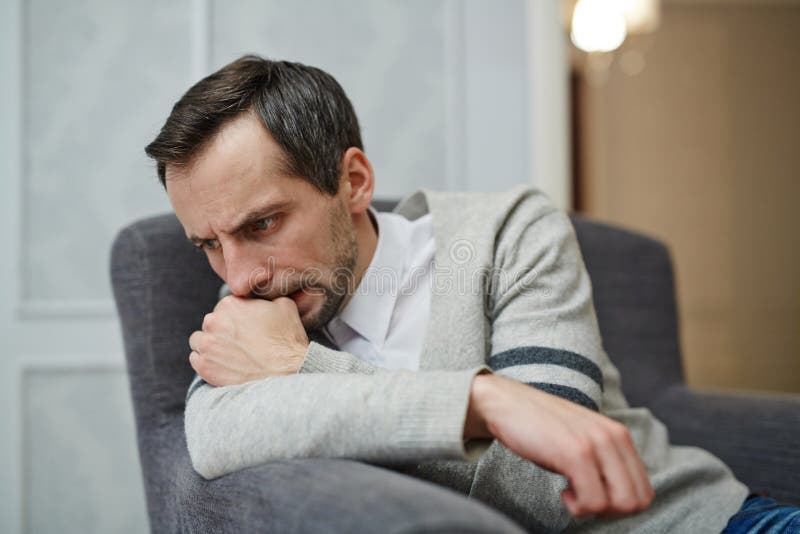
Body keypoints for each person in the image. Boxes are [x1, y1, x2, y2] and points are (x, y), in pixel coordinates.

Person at [144, 55, 798, 533]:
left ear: (354, 182)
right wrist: (488, 403)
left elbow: (548, 488)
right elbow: (215, 437)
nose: (239, 278)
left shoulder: (509, 232)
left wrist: (301, 370)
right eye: (209, 244)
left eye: (263, 224)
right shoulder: (254, 307)